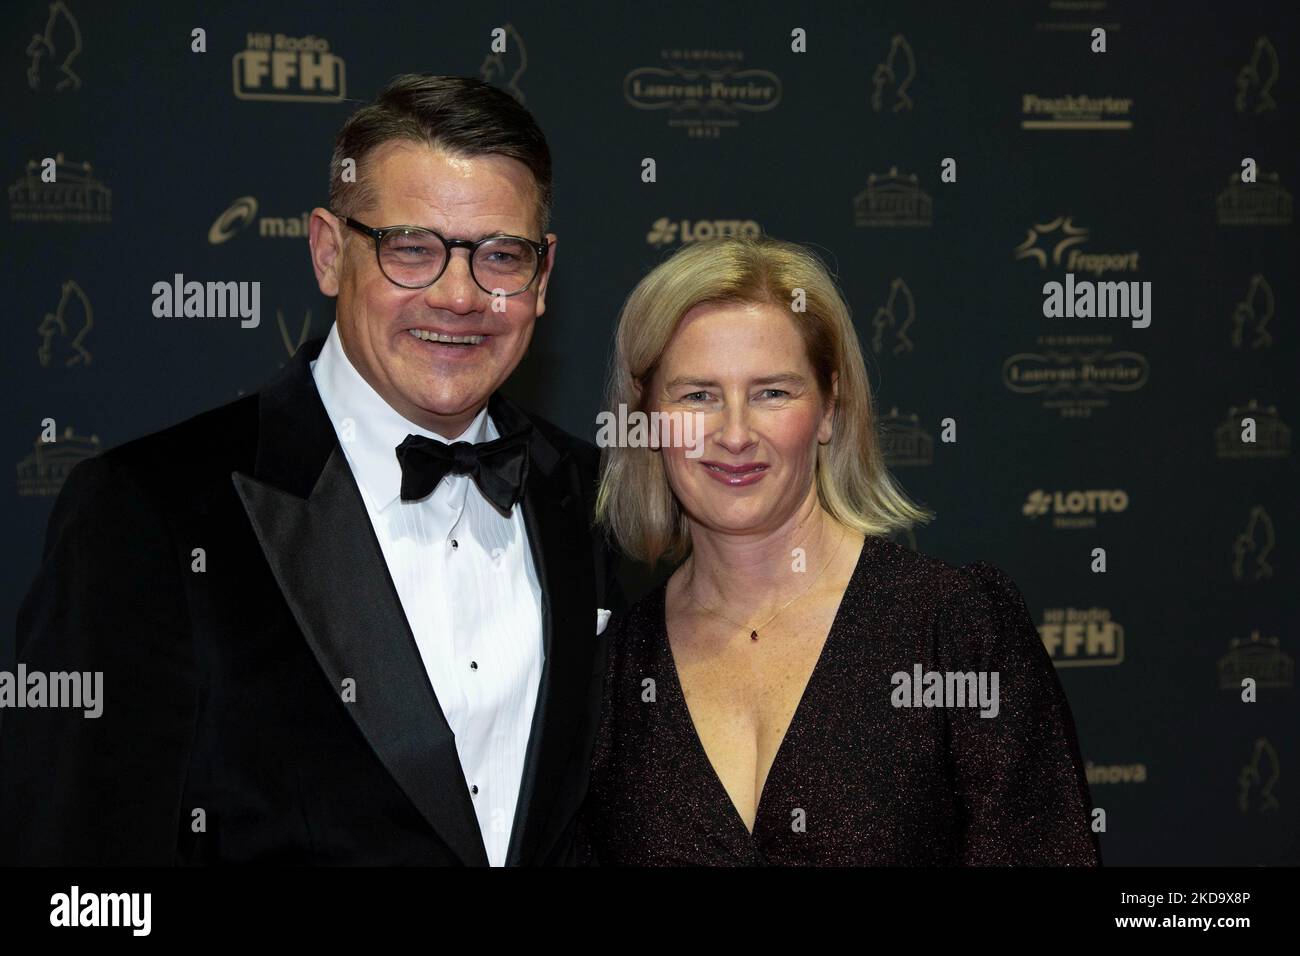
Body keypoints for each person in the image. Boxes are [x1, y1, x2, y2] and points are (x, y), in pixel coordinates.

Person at [0, 75, 621, 866]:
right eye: (412, 249)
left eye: (502, 255)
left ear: (543, 275)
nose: (460, 295)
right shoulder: (148, 512)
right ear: (329, 252)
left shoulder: (592, 495)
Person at [579, 235, 1100, 865]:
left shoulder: (950, 628)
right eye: (698, 396)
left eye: (773, 392)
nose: (735, 434)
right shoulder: (613, 668)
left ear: (829, 408)